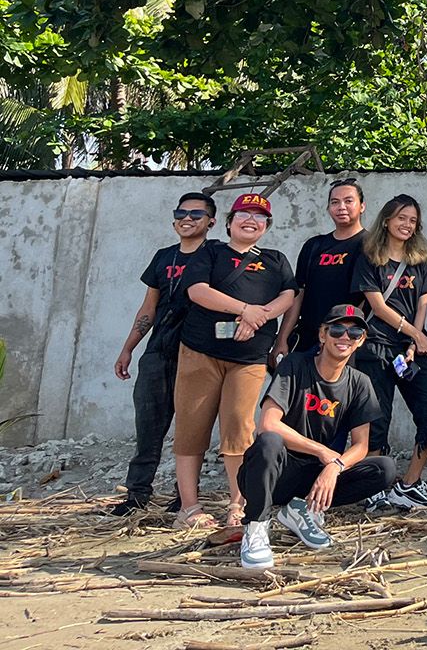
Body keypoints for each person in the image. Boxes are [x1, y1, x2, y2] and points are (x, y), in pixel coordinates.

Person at [238, 304, 399, 569]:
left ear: (361, 341)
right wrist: (322, 452)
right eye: (336, 330)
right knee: (269, 441)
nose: (344, 337)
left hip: (313, 476)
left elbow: (361, 446)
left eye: (354, 332)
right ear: (322, 335)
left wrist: (335, 467)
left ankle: (301, 509)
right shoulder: (295, 365)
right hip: (275, 471)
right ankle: (256, 528)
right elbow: (267, 423)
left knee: (385, 468)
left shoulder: (359, 383)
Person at [172, 192, 297, 530]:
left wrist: (260, 317)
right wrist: (245, 310)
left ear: (266, 226)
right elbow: (197, 291)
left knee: (239, 428)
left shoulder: (275, 260)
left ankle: (237, 504)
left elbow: (289, 295)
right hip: (200, 352)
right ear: (228, 222)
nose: (250, 220)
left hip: (249, 358)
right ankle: (189, 507)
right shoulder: (209, 252)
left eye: (259, 217)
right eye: (244, 214)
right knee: (191, 425)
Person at [109, 192, 220, 516]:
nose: (187, 218)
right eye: (181, 213)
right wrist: (128, 348)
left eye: (196, 214)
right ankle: (137, 494)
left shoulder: (217, 255)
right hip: (159, 351)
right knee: (148, 427)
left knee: (191, 428)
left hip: (198, 351)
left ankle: (184, 496)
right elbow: (149, 308)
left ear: (211, 222)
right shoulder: (163, 257)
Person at [353, 194, 427, 510]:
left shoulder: (421, 259)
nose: (407, 225)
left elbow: (423, 304)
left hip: (411, 351)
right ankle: (373, 486)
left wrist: (414, 341)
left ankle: (409, 484)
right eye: (401, 218)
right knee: (376, 418)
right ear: (386, 220)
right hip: (376, 347)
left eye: (412, 220)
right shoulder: (370, 256)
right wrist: (412, 333)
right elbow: (377, 306)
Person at [272, 178, 366, 364]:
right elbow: (298, 294)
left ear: (361, 206)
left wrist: (346, 336)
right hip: (308, 339)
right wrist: (282, 338)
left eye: (348, 201)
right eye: (334, 202)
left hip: (345, 341)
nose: (341, 207)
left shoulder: (371, 246)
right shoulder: (314, 246)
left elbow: (369, 298)